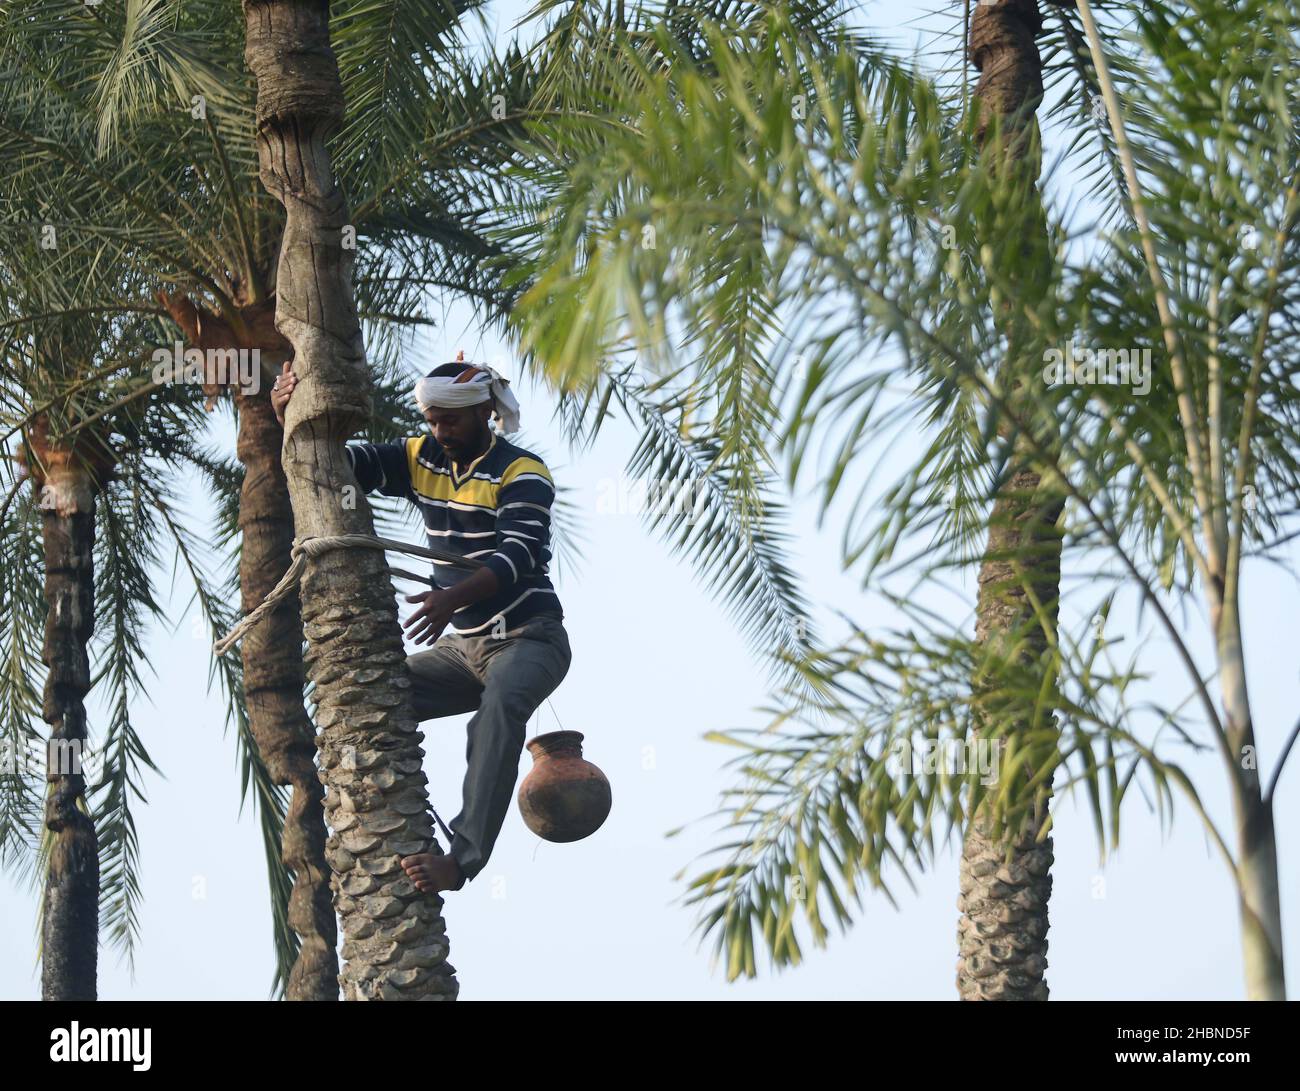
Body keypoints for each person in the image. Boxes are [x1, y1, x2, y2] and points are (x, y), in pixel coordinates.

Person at [271, 353, 571, 893]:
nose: (439, 430)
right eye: (432, 421)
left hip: (530, 639)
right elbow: (336, 465)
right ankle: (376, 824)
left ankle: (461, 861)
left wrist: (451, 598)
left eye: (450, 420)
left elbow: (519, 556)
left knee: (498, 710)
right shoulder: (422, 457)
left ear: (484, 410)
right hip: (464, 650)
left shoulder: (522, 473)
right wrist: (289, 418)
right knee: (374, 695)